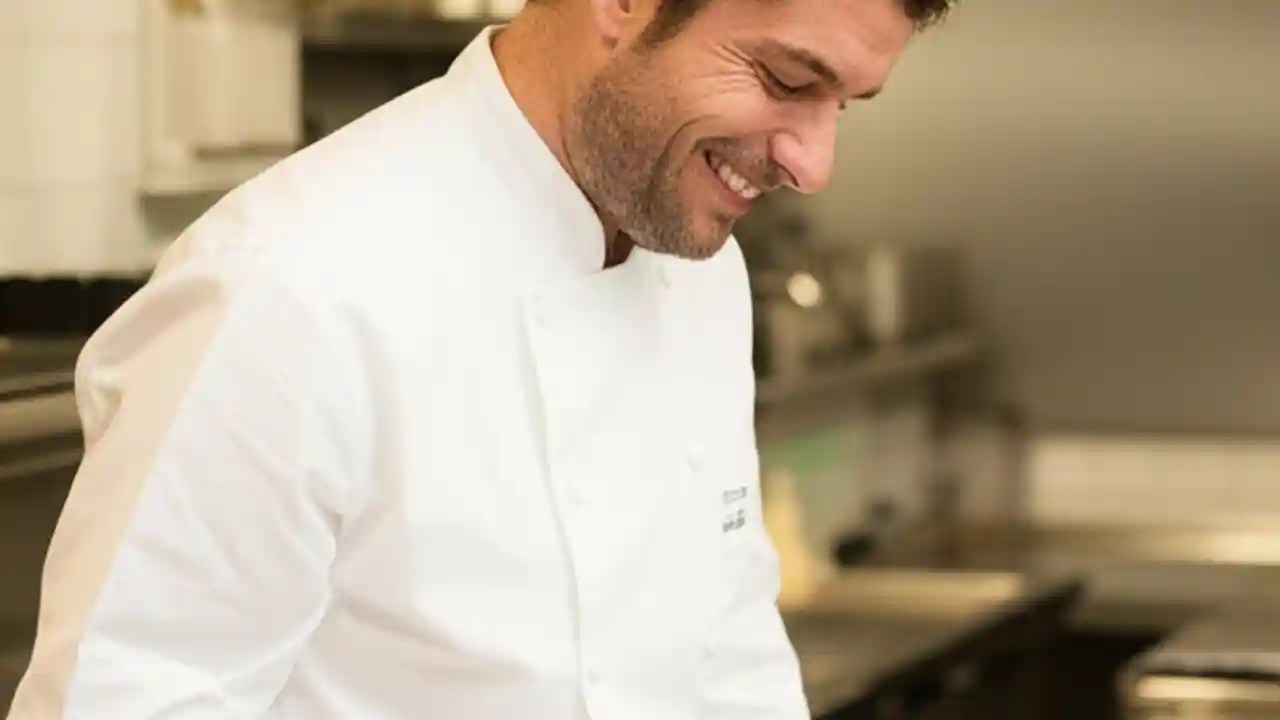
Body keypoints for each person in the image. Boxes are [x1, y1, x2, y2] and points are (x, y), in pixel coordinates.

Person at [9, 0, 952, 716]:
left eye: (846, 104)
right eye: (788, 81)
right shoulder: (287, 287)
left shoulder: (697, 264)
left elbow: (728, 642)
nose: (814, 162)